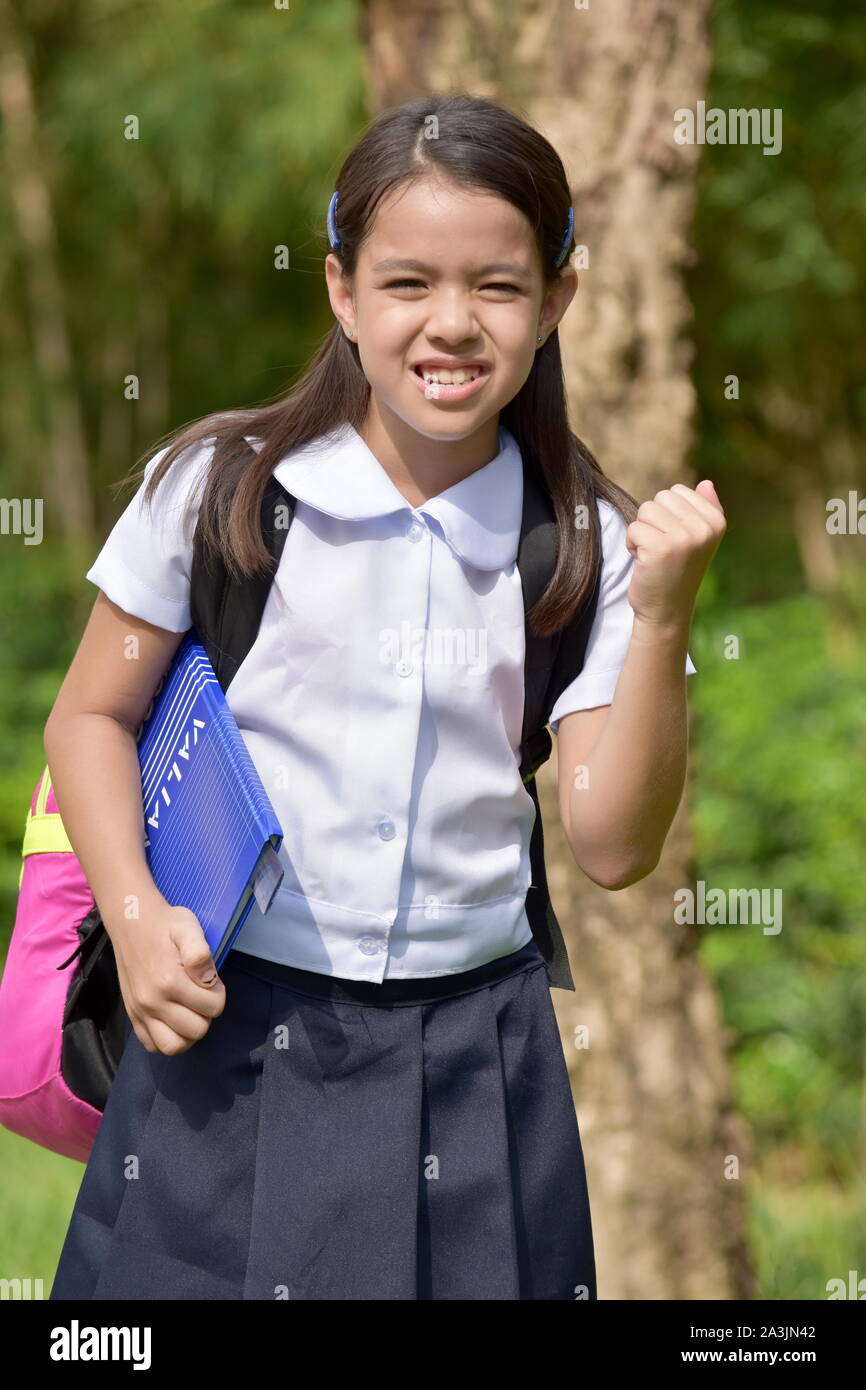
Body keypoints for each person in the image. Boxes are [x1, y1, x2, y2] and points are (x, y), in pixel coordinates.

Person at [47, 92, 721, 1301]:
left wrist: (665, 614)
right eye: (406, 282)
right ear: (341, 293)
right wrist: (138, 914)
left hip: (476, 1057)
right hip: (227, 1045)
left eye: (499, 287)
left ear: (558, 300)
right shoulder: (219, 490)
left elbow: (611, 845)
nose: (450, 323)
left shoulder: (590, 547)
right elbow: (90, 716)